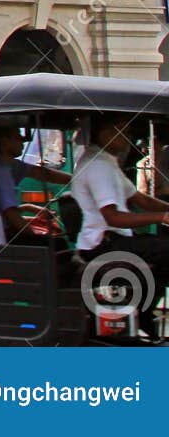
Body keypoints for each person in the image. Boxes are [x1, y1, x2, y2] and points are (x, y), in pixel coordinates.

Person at [72, 114, 169, 336]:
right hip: (104, 245)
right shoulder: (98, 167)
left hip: (114, 240)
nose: (128, 139)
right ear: (106, 134)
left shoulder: (106, 162)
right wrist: (161, 217)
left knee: (161, 256)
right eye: (124, 132)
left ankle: (144, 315)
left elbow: (141, 200)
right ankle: (143, 316)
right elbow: (113, 218)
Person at [0, 125, 68, 239]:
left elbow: (41, 173)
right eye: (17, 136)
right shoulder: (1, 170)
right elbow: (11, 216)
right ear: (4, 142)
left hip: (0, 227)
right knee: (57, 242)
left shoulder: (8, 164)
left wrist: (75, 179)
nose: (23, 139)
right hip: (2, 233)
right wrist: (37, 240)